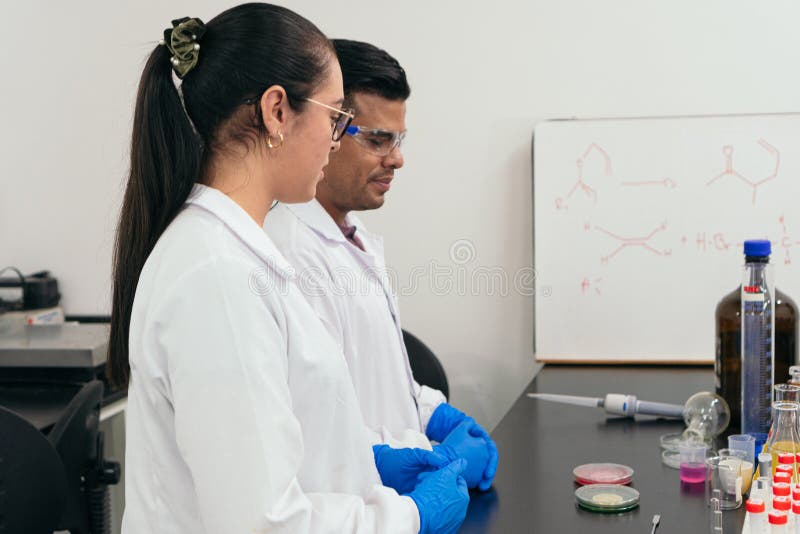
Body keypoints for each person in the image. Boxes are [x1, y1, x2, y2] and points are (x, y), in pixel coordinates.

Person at [108, 5, 468, 533]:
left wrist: (363, 463)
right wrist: (408, 515)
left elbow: (275, 444)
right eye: (336, 116)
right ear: (277, 111)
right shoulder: (216, 275)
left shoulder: (237, 252)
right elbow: (264, 523)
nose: (336, 136)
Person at [265, 39, 498, 491]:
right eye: (377, 139)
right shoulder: (291, 254)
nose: (397, 158)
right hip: (359, 502)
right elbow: (318, 431)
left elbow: (381, 385)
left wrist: (435, 414)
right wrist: (437, 456)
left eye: (399, 139)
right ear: (327, 128)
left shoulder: (353, 239)